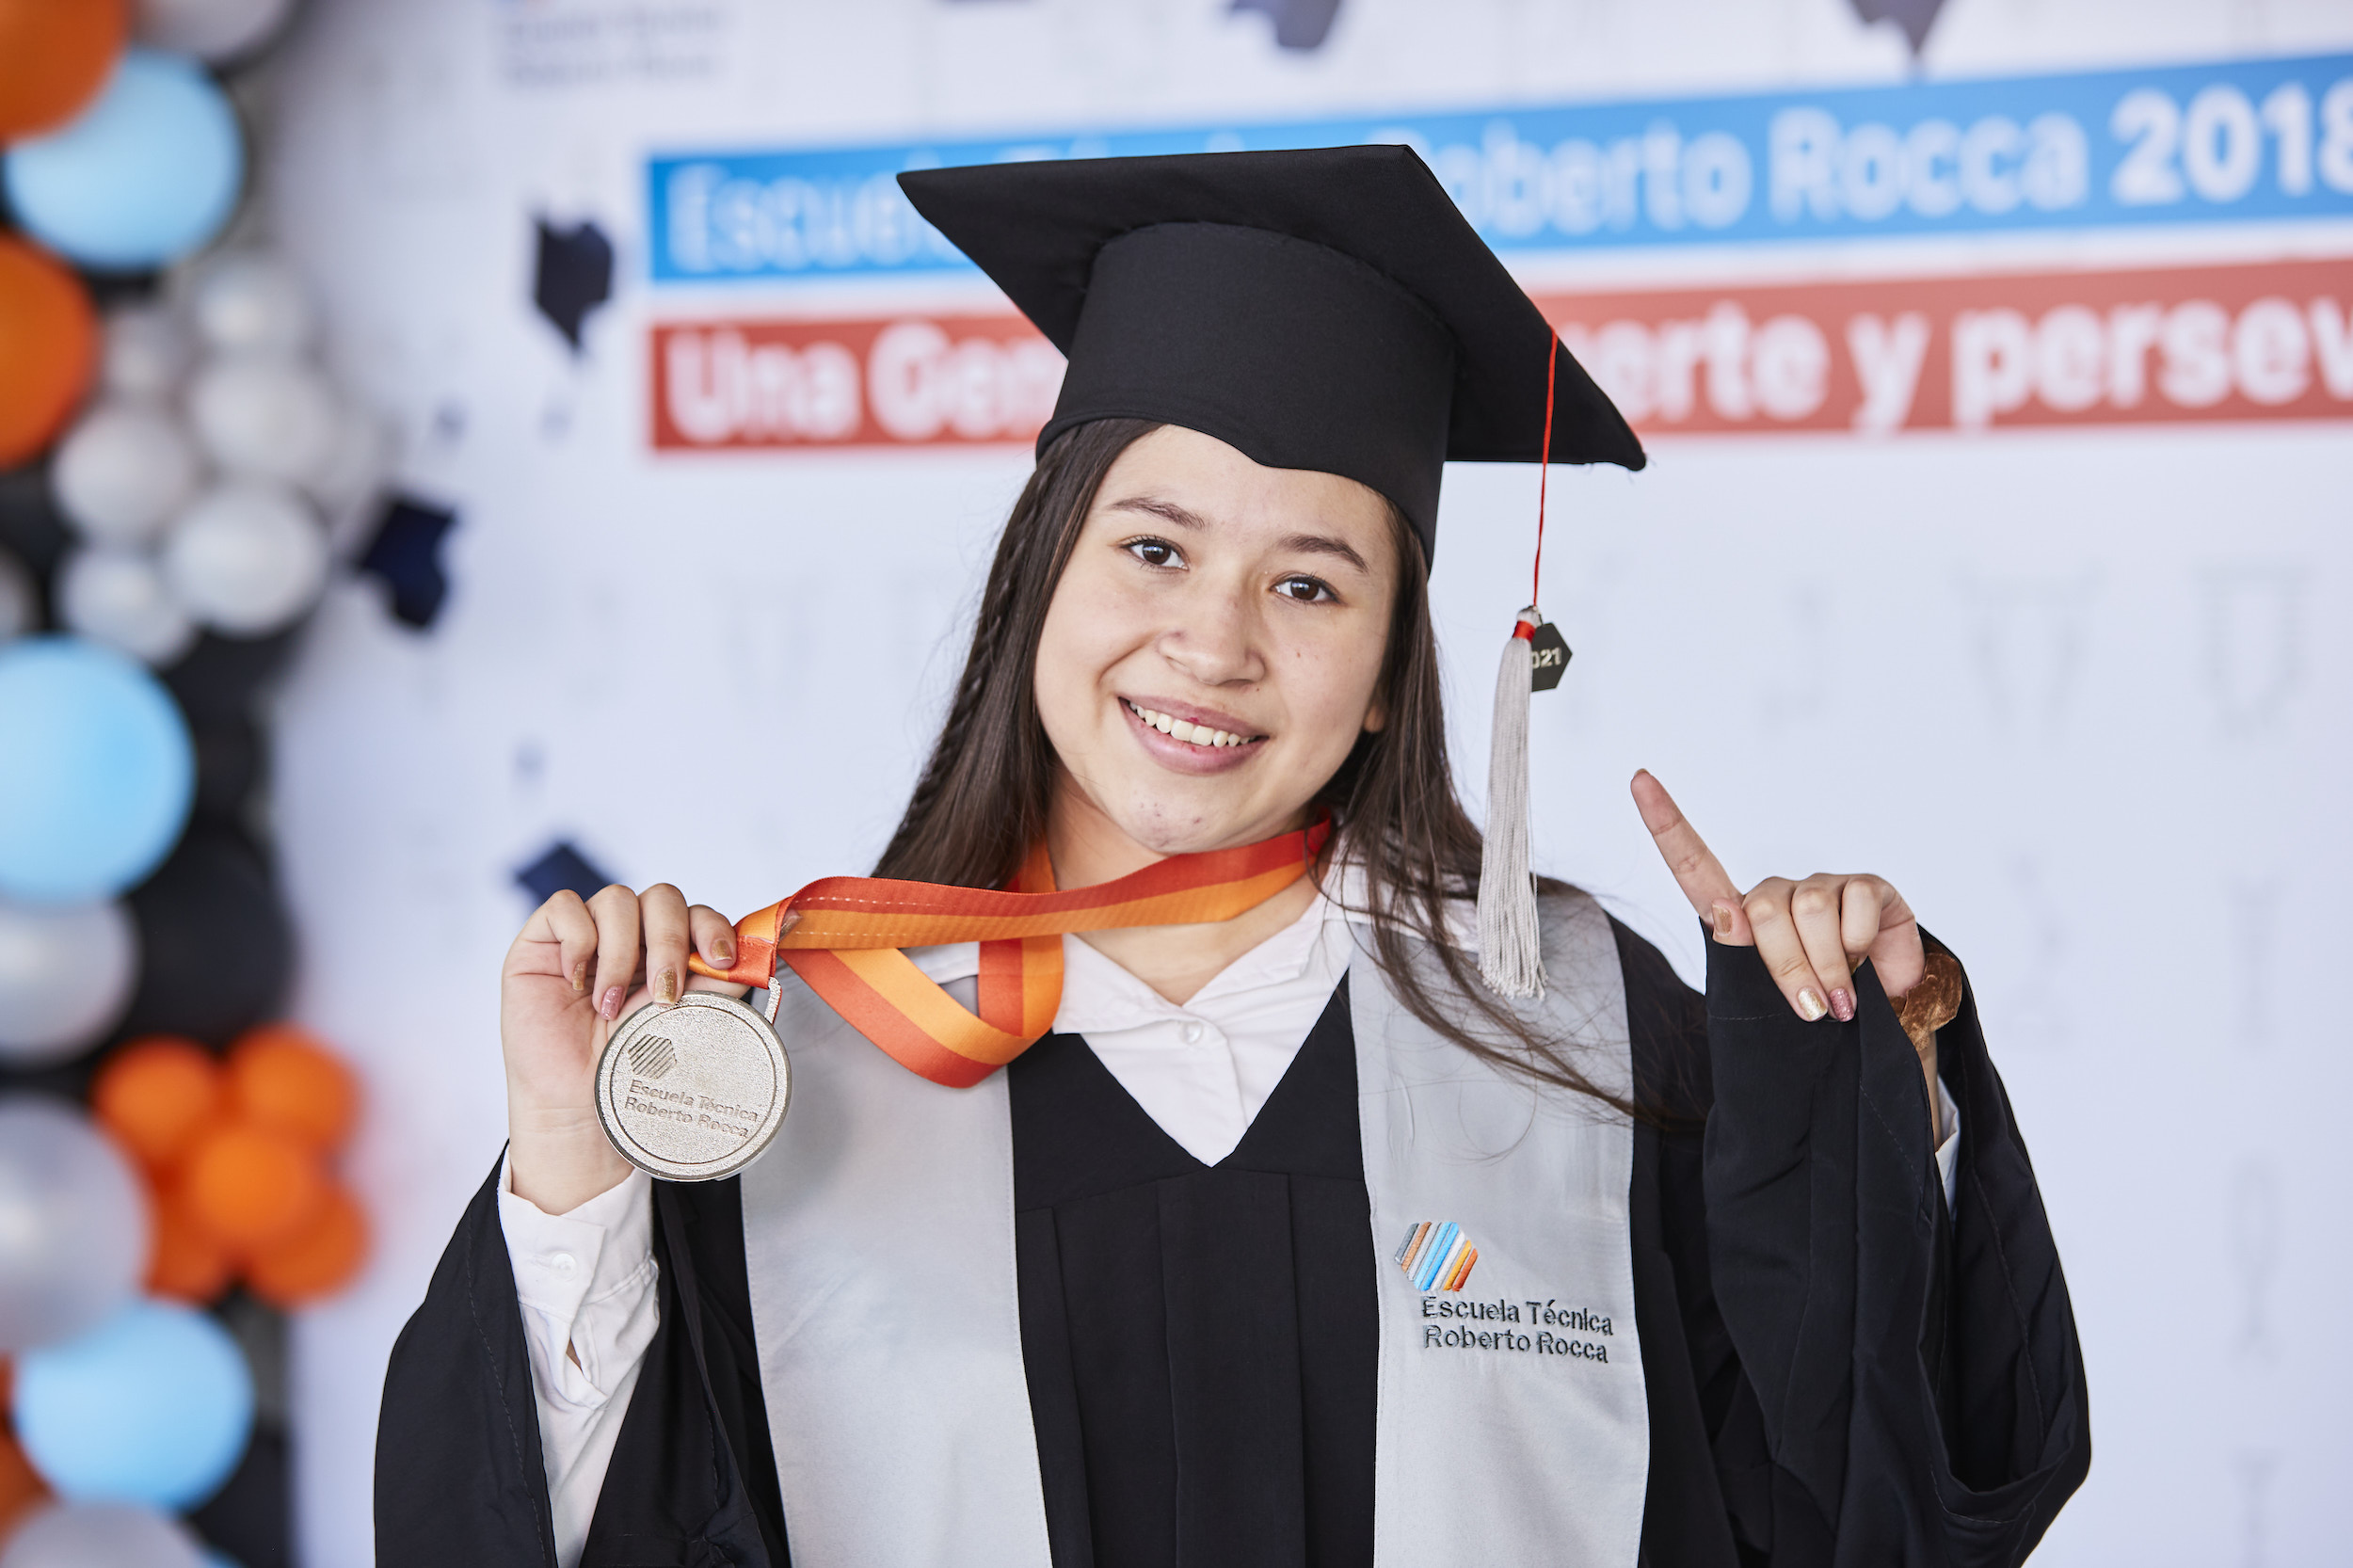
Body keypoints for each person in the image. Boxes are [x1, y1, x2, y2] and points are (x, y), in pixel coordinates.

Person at [376, 146, 2087, 1568]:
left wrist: (1875, 1068)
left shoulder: (1577, 1024)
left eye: (1311, 583)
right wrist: (573, 1170)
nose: (1212, 643)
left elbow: (1859, 1508)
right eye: (1153, 545)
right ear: (1041, 574)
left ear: (1388, 665)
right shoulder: (804, 1050)